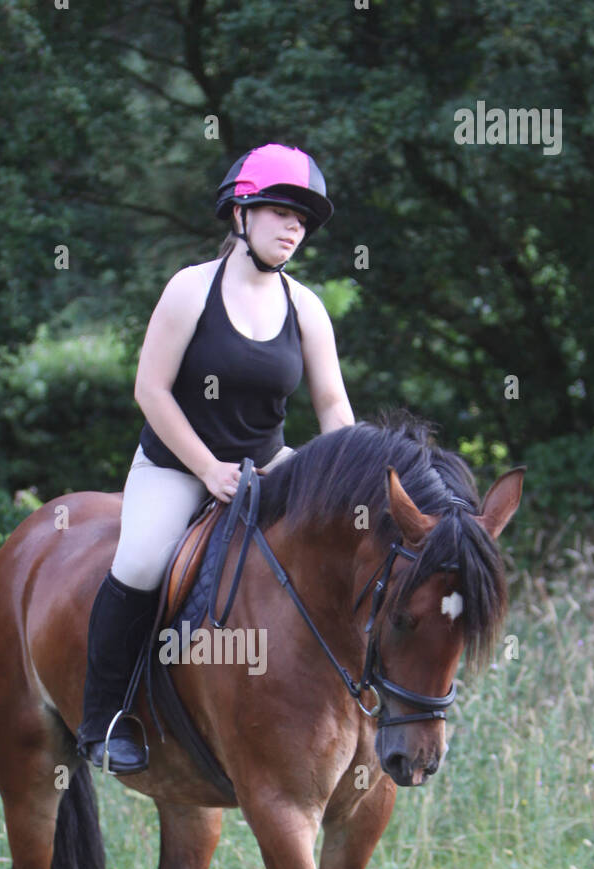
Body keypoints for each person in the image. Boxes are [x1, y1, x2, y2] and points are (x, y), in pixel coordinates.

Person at [76, 143, 356, 774]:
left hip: (268, 466)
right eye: (281, 211)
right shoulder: (190, 289)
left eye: (303, 220)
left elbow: (334, 407)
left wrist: (355, 479)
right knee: (143, 561)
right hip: (178, 466)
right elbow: (149, 390)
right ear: (241, 213)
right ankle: (105, 721)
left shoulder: (306, 307)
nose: (294, 228)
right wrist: (206, 468)